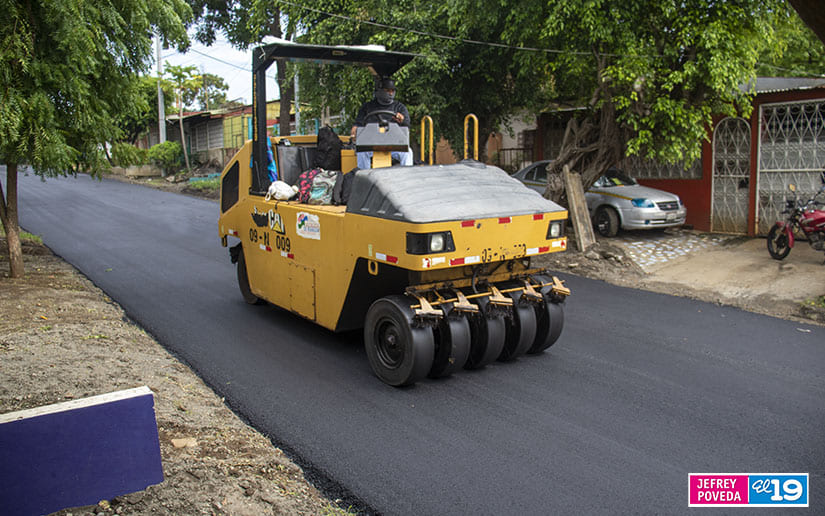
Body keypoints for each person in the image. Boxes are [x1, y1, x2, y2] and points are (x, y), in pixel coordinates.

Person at [350, 77, 413, 168]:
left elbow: (407, 124)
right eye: (387, 90)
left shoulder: (399, 107)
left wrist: (402, 119)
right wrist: (355, 128)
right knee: (361, 152)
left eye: (392, 90)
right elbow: (358, 123)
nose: (390, 93)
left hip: (394, 145)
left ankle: (406, 179)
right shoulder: (367, 107)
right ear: (379, 91)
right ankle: (365, 177)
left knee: (408, 153)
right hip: (370, 145)